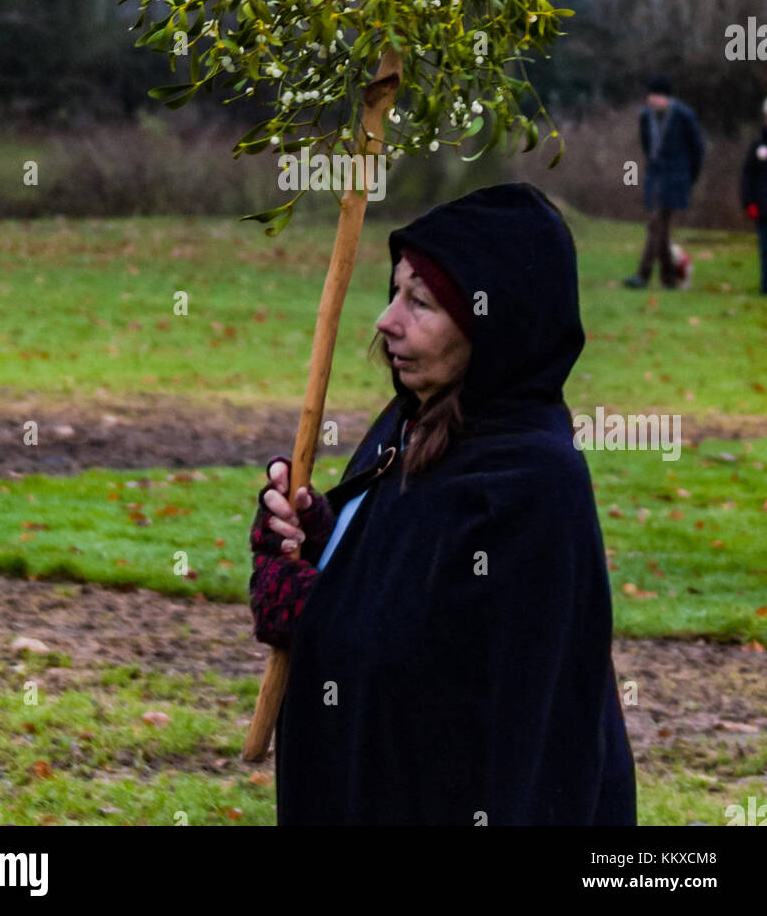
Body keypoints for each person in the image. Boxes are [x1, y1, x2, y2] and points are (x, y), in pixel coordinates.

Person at [248, 183, 637, 826]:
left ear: (494, 324)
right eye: (395, 291)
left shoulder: (531, 482)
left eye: (420, 302)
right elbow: (399, 568)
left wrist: (312, 610)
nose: (386, 319)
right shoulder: (415, 424)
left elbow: (439, 670)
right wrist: (319, 536)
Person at [624, 74, 704, 290]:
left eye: (656, 95)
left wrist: (689, 177)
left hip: (677, 178)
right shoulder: (645, 117)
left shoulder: (684, 116)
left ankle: (643, 274)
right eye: (650, 95)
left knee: (655, 225)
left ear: (665, 97)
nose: (651, 100)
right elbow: (647, 147)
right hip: (655, 177)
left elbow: (697, 149)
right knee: (662, 229)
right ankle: (669, 277)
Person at [741, 96, 767, 295]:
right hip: (763, 206)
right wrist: (748, 202)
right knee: (765, 250)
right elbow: (747, 176)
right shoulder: (757, 146)